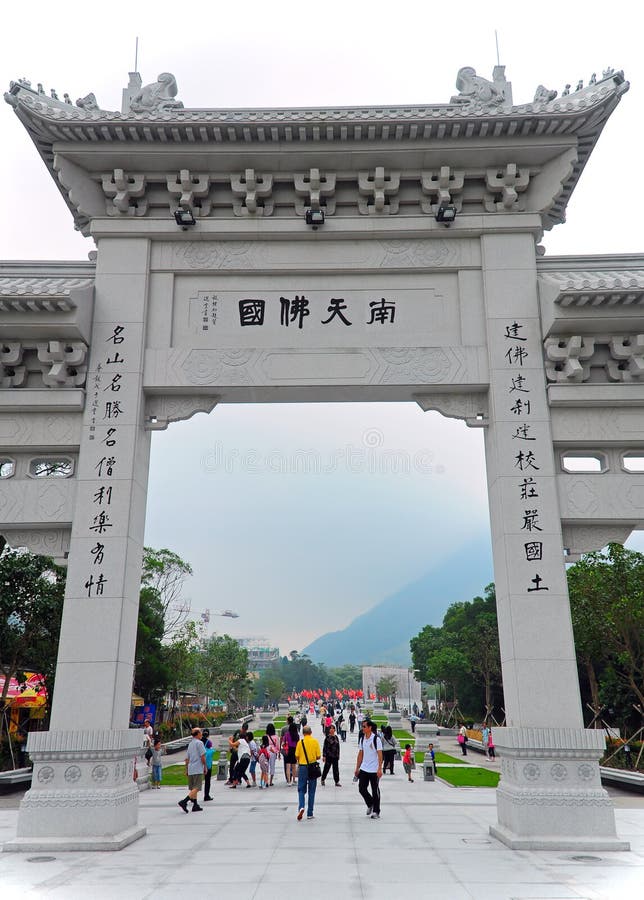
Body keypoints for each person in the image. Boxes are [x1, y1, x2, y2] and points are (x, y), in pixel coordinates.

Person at [355, 718, 383, 819]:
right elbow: (360, 754)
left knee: (375, 790)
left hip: (374, 769)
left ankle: (376, 811)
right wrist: (357, 768)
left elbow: (380, 755)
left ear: (370, 728)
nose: (362, 728)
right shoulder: (362, 739)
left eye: (364, 727)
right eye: (362, 726)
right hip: (364, 768)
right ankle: (370, 803)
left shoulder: (376, 739)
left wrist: (380, 768)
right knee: (361, 788)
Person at [295, 725, 321, 820]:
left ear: (303, 733)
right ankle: (310, 813)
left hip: (302, 767)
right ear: (311, 732)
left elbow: (296, 756)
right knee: (312, 790)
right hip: (312, 767)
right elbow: (318, 756)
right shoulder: (315, 741)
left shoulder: (300, 742)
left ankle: (301, 806)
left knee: (301, 789)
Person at [178, 727, 206, 813]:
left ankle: (195, 805)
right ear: (197, 734)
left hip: (191, 768)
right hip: (197, 768)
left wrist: (187, 769)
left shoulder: (190, 744)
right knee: (197, 787)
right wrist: (205, 766)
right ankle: (184, 801)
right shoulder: (200, 743)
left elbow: (187, 759)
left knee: (193, 787)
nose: (201, 734)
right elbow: (202, 756)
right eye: (200, 732)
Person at [202, 729, 214, 801]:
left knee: (196, 782)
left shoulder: (199, 742)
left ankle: (192, 796)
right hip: (207, 763)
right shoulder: (208, 742)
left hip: (198, 763)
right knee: (207, 780)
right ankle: (206, 795)